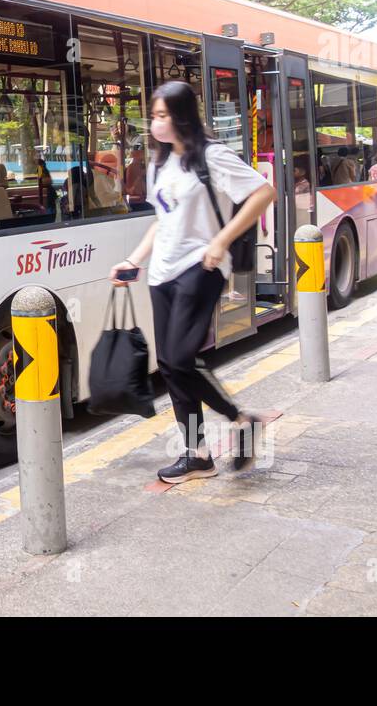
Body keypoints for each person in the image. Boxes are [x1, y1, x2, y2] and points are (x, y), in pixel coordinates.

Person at [111, 81, 276, 483]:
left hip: (201, 268)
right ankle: (197, 455)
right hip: (162, 272)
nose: (155, 123)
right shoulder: (158, 163)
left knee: (180, 359)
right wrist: (134, 260)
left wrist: (221, 240)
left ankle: (241, 420)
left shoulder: (212, 157)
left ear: (183, 116)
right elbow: (161, 221)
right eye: (153, 115)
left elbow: (263, 192)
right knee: (169, 366)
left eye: (163, 115)